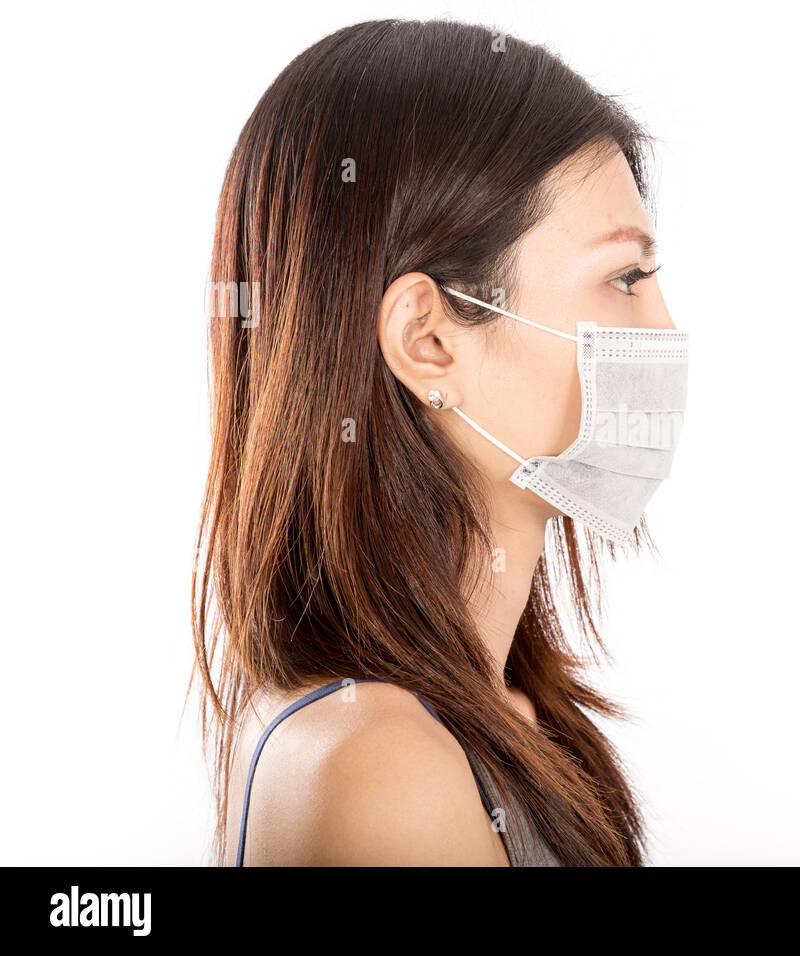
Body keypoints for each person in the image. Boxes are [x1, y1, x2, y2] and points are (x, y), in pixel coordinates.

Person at [192, 18, 687, 867]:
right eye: (625, 279)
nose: (665, 328)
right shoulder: (381, 768)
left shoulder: (499, 715)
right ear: (428, 341)